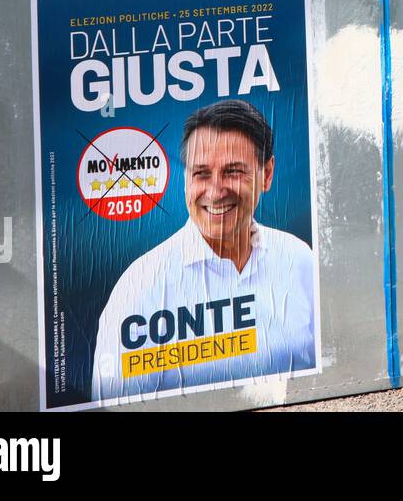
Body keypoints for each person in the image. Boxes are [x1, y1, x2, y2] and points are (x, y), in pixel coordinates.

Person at [90, 99, 316, 403]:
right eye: (201, 173)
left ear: (267, 174)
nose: (215, 190)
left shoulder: (300, 261)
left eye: (233, 171)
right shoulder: (139, 288)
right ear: (185, 180)